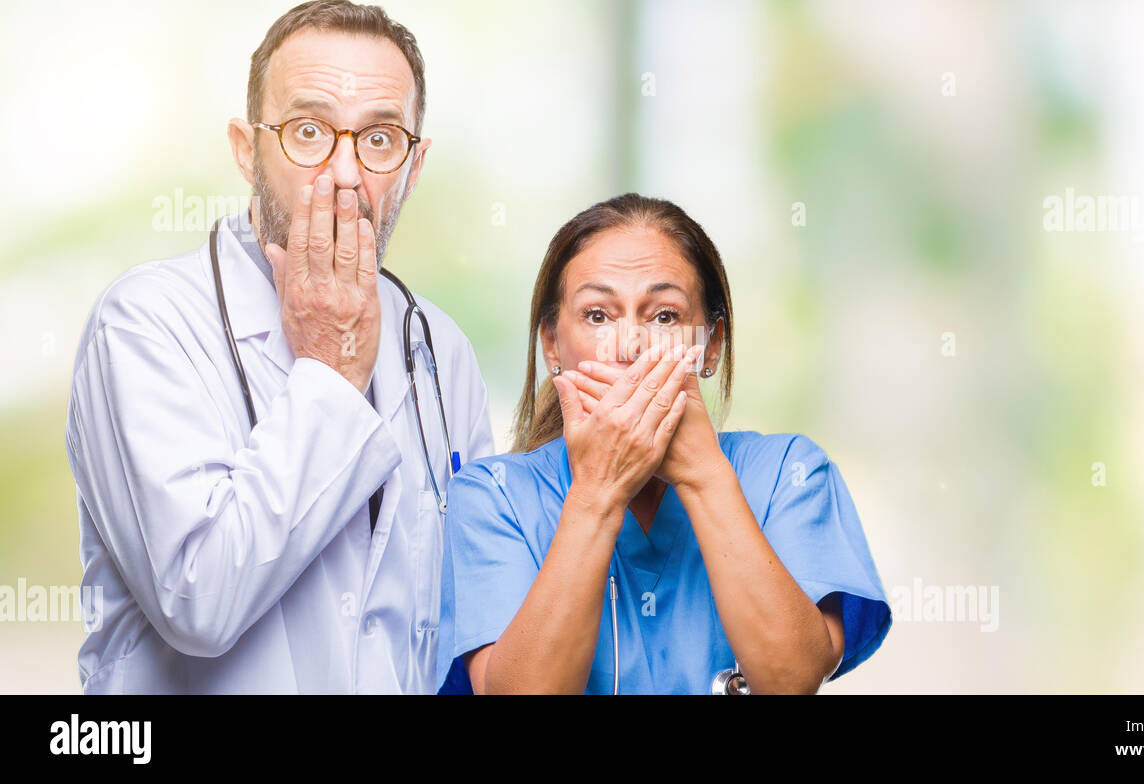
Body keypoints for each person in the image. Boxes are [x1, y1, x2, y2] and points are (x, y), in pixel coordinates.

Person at [64, 0, 494, 693]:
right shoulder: (146, 323)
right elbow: (197, 601)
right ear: (245, 148)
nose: (347, 174)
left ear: (413, 167)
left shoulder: (438, 346)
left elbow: (462, 618)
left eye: (380, 140)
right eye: (308, 131)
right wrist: (328, 366)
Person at [436, 193, 890, 694]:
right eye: (597, 315)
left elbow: (790, 680)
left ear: (711, 344)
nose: (629, 347)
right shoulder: (492, 495)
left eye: (664, 317)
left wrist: (703, 474)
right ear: (551, 345)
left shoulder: (790, 472)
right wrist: (597, 493)